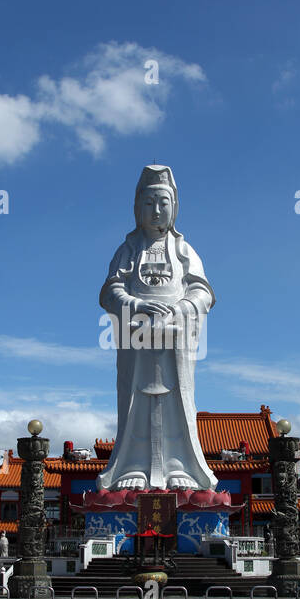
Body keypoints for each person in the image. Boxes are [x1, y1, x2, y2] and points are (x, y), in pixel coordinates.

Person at [97, 165, 216, 492]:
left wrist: (181, 309)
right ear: (137, 207)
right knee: (136, 398)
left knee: (176, 398)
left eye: (163, 202)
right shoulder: (128, 251)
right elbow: (110, 291)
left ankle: (179, 466)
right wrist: (136, 306)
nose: (156, 210)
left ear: (174, 207)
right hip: (136, 336)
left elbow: (203, 291)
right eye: (149, 203)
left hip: (175, 337)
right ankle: (133, 465)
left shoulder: (183, 251)